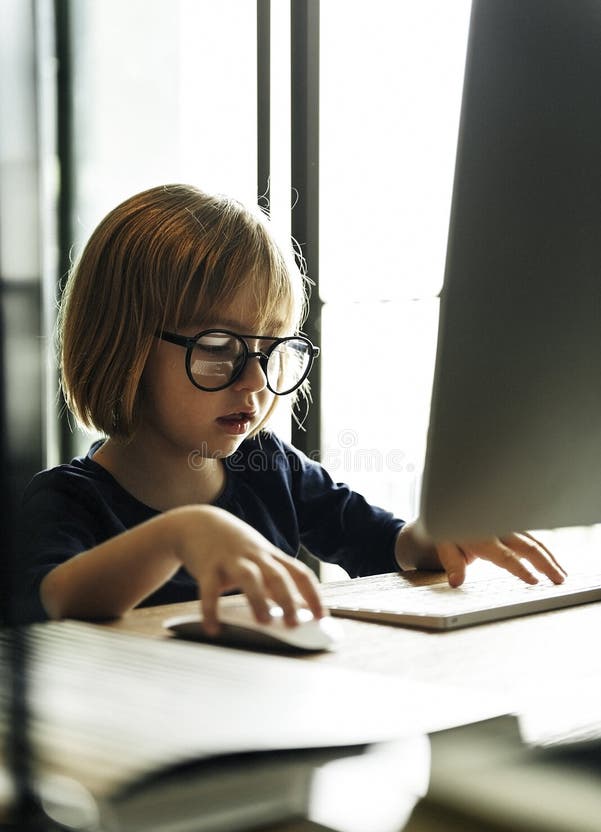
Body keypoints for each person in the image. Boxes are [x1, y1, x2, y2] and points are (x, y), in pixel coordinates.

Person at [18, 184, 566, 630]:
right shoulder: (65, 502)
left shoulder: (268, 467)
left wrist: (444, 531)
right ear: (122, 342)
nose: (255, 380)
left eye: (271, 351)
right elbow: (59, 599)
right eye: (217, 349)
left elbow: (384, 544)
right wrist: (180, 534)